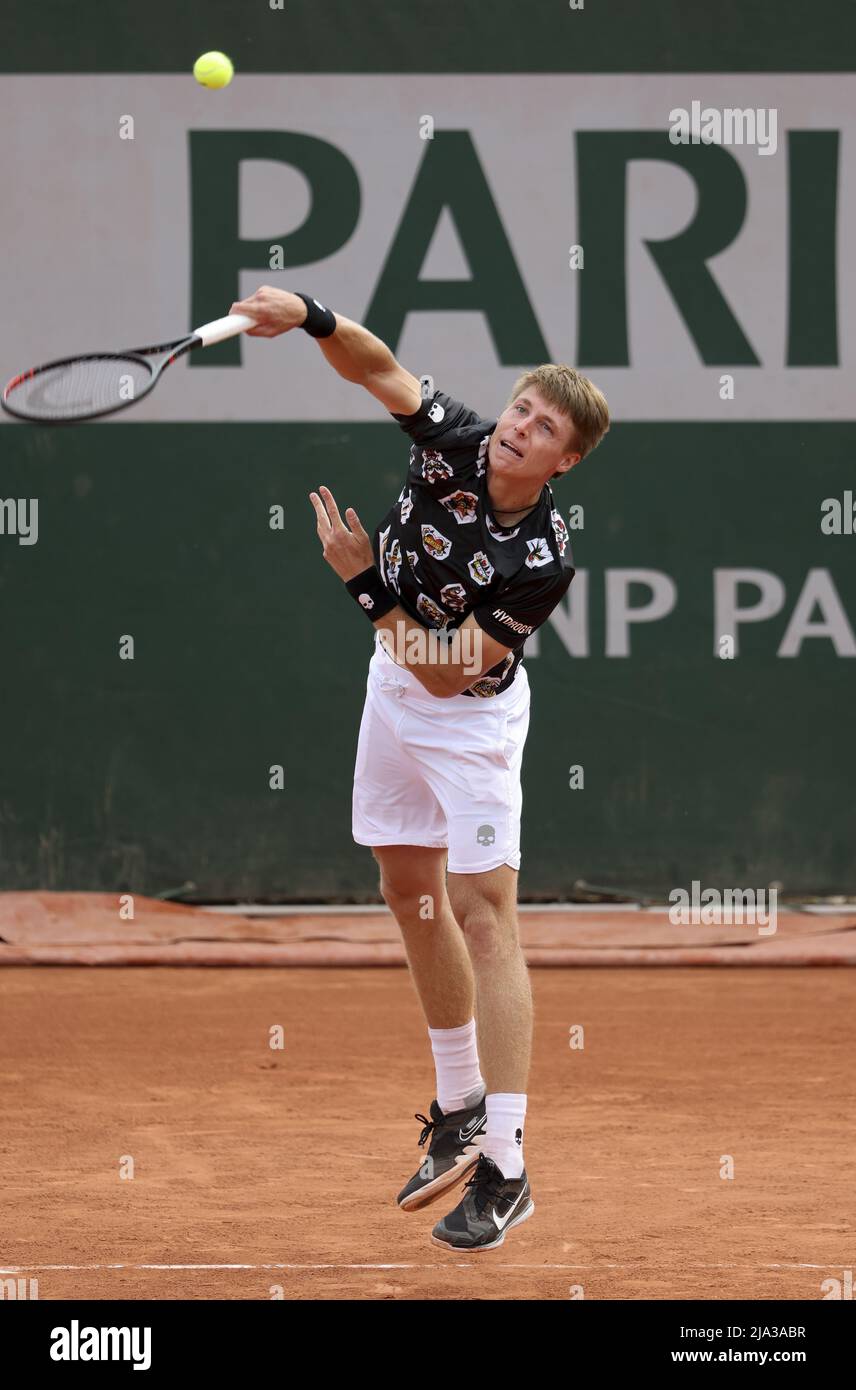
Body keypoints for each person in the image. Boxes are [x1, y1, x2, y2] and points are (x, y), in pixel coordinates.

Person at [230, 286, 610, 1250]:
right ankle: (459, 1105)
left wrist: (361, 580)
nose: (518, 428)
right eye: (521, 408)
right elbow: (375, 365)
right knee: (408, 890)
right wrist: (310, 315)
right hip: (390, 693)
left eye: (542, 428)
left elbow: (448, 679)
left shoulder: (544, 556)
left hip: (467, 721)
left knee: (485, 912)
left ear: (565, 460)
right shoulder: (455, 441)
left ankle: (510, 1165)